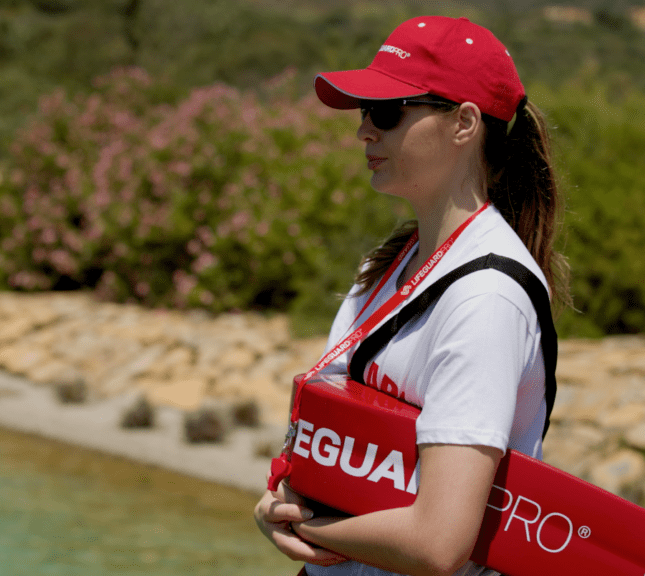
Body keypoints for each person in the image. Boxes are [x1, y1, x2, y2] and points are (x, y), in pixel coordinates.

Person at [253, 15, 571, 576]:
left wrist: (307, 530)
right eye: (363, 111)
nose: (363, 132)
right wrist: (279, 503)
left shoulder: (488, 299)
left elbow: (438, 543)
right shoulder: (389, 263)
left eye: (386, 112)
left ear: (464, 123)